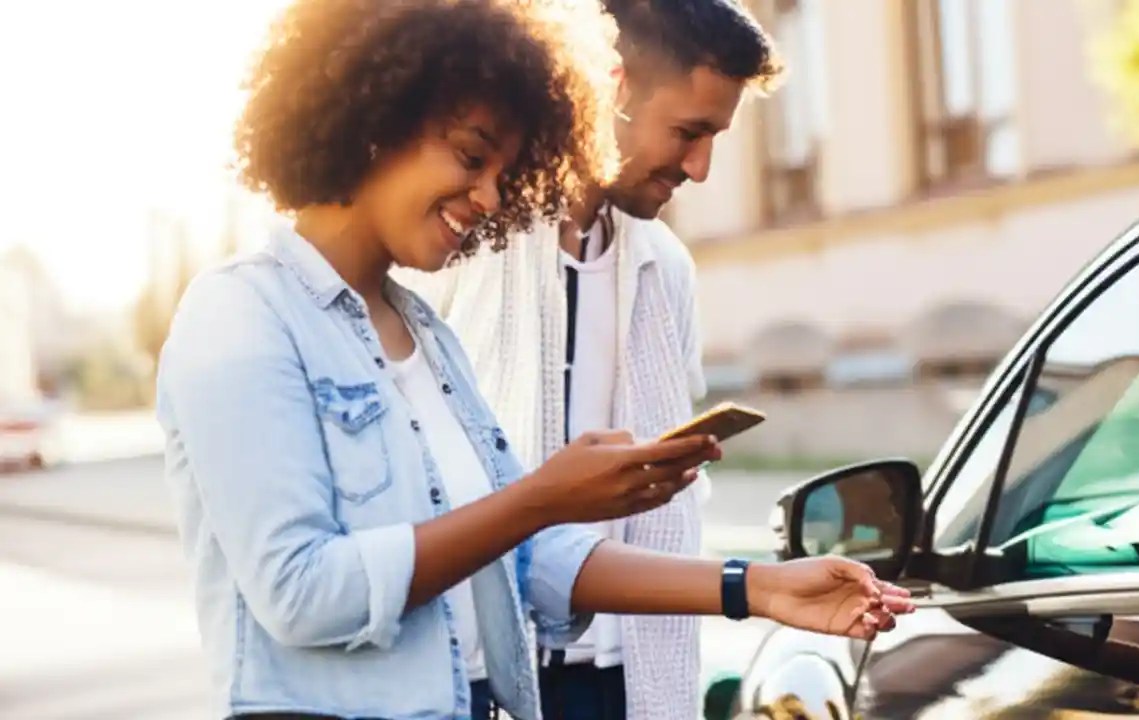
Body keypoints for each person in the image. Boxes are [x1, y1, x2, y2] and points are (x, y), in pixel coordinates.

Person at [156, 1, 913, 719]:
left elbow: (526, 561)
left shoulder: (425, 335)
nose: (490, 197)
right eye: (472, 157)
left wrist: (760, 587)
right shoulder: (241, 315)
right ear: (376, 121)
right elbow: (301, 593)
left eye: (503, 170)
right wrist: (540, 498)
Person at [417, 2, 782, 717]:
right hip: (482, 675)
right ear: (612, 87)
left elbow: (679, 506)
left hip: (626, 676)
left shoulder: (665, 267)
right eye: (688, 132)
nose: (700, 169)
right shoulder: (461, 236)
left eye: (714, 139)